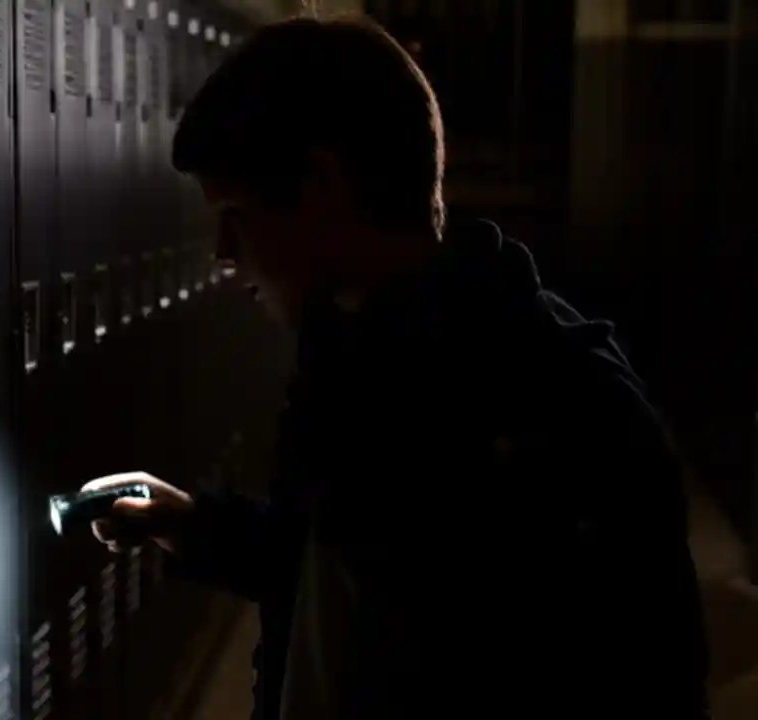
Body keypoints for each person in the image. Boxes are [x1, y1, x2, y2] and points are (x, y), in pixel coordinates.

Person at [80, 16, 710, 719]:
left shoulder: (563, 405)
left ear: (322, 184)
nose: (224, 254)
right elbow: (330, 572)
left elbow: (646, 684)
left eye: (238, 216)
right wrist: (195, 526)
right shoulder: (350, 355)